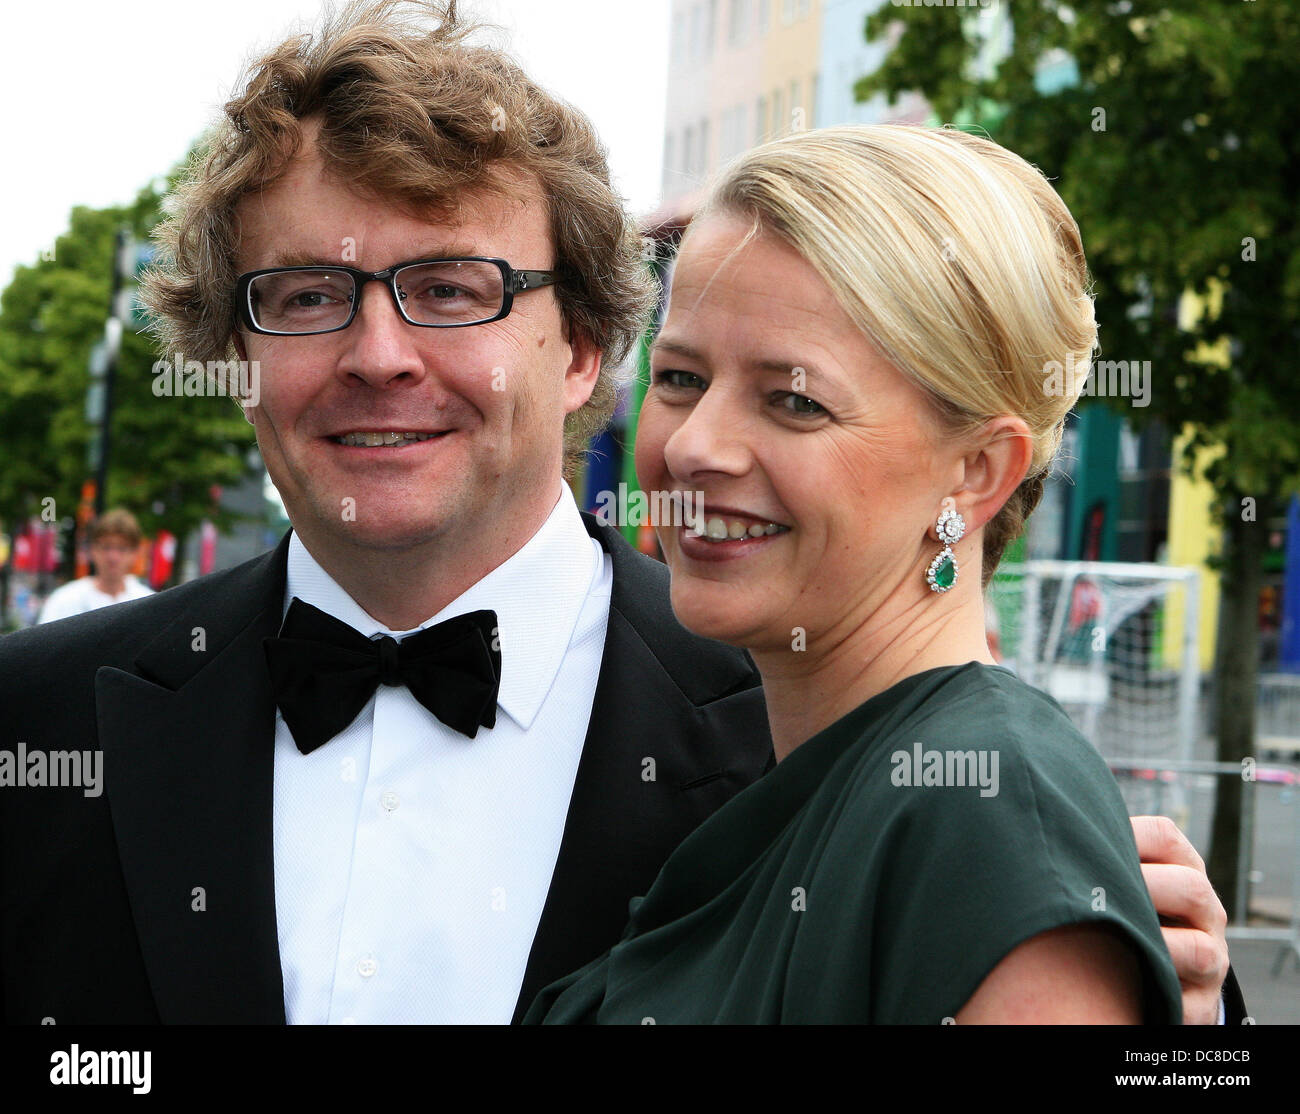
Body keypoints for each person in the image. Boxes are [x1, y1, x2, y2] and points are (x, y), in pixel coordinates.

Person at [0, 1, 1234, 1024]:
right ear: (231, 349)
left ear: (585, 344)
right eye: (308, 295)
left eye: (449, 288)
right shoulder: (38, 721)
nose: (377, 354)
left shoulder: (827, 724)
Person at [527, 124, 1221, 1023]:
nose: (694, 446)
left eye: (795, 400)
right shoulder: (830, 783)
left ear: (977, 472)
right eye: (681, 378)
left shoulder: (980, 811)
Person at [36, 508, 153, 623]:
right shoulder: (64, 600)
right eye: (106, 547)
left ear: (134, 553)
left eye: (122, 549)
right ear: (93, 549)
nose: (113, 557)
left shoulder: (148, 603)